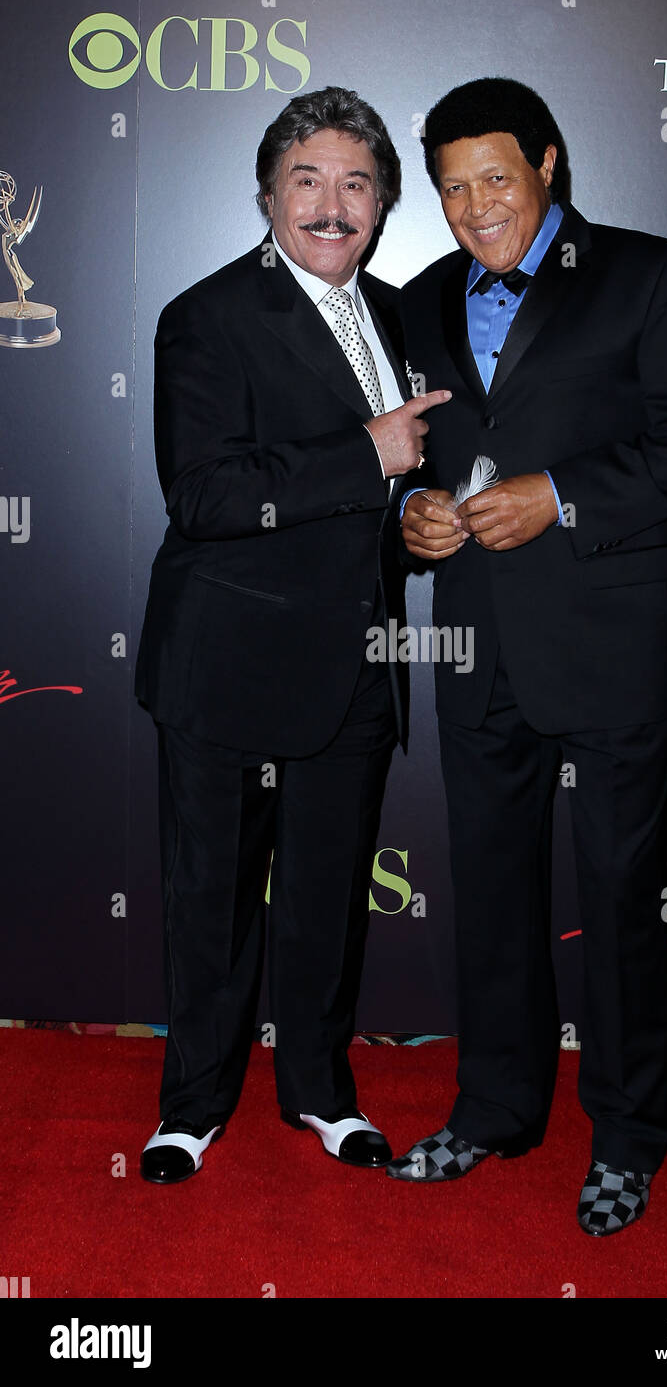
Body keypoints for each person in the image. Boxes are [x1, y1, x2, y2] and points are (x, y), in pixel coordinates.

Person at [386, 77, 667, 1234]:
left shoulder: (651, 271)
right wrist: (414, 517)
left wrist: (567, 495)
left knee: (619, 899)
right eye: (452, 187)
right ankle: (497, 1107)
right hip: (479, 643)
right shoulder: (423, 300)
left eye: (495, 177)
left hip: (612, 643)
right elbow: (413, 458)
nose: (475, 205)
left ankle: (631, 1135)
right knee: (492, 897)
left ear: (549, 164)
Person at [135, 86, 449, 1184]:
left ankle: (320, 1091)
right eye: (307, 180)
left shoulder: (404, 314)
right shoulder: (208, 316)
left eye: (356, 183)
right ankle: (190, 1108)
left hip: (357, 666)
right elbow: (207, 495)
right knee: (213, 905)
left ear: (382, 203)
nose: (332, 203)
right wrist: (367, 455)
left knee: (326, 902)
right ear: (267, 194)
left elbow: (399, 489)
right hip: (227, 663)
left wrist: (420, 523)